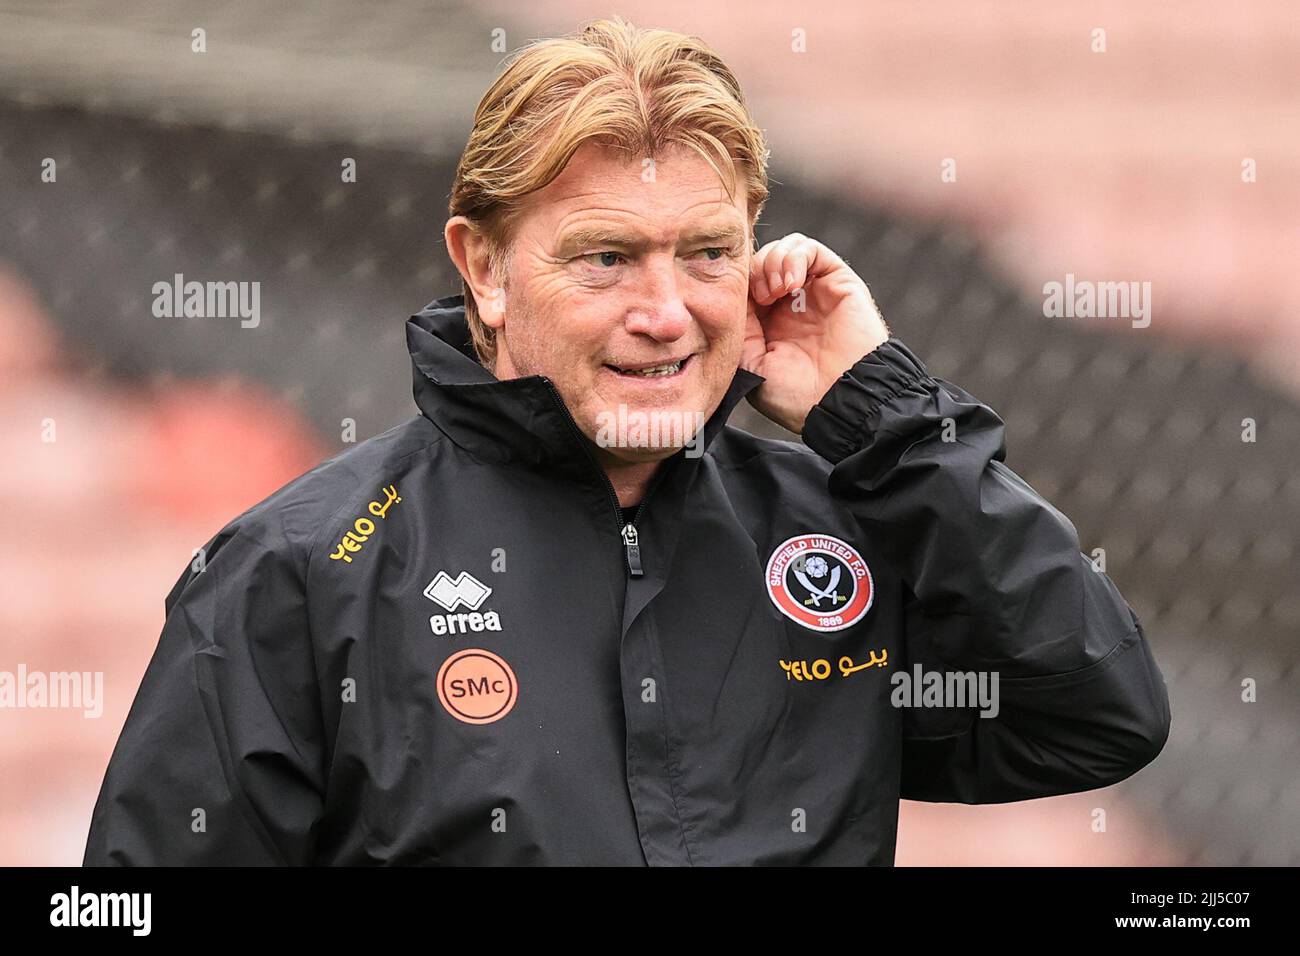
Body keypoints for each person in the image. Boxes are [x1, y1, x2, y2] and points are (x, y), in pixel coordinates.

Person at [83, 17, 1170, 866]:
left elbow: (1094, 712)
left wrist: (883, 414)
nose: (668, 311)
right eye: (605, 257)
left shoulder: (842, 523)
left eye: (707, 254)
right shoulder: (300, 572)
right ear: (485, 268)